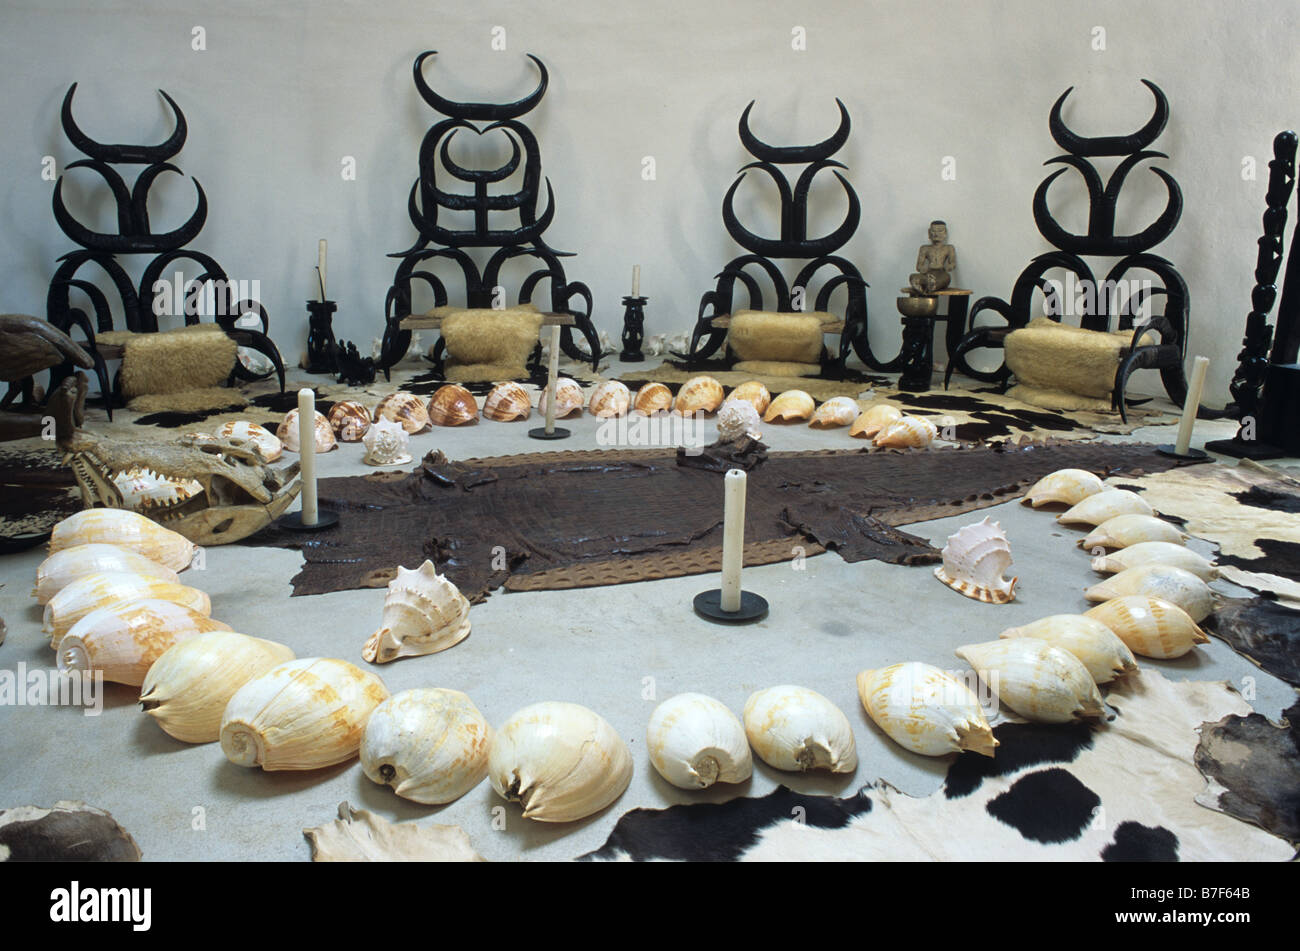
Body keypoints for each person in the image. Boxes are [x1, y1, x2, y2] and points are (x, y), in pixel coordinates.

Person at [909, 220, 956, 294]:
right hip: (928, 273)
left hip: (941, 273)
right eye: (933, 231)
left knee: (946, 277)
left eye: (940, 231)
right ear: (929, 233)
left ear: (945, 233)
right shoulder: (924, 248)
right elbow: (919, 266)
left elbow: (953, 263)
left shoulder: (949, 248)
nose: (936, 234)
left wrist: (949, 267)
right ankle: (928, 284)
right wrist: (923, 269)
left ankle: (931, 285)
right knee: (913, 277)